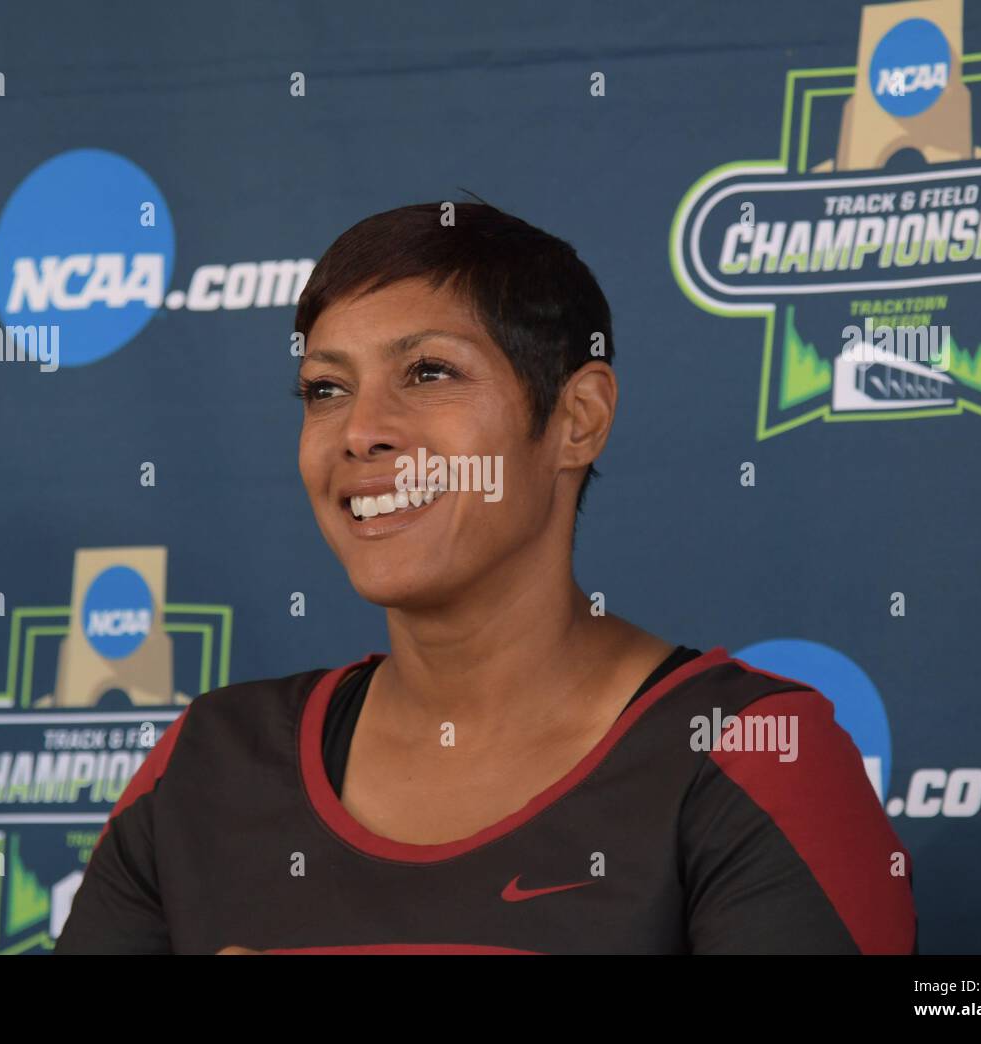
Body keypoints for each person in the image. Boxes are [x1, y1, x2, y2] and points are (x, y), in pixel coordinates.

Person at [55, 201, 917, 954]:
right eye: (324, 389)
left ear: (578, 420)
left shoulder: (752, 755)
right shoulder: (206, 763)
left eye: (429, 373)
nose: (361, 433)